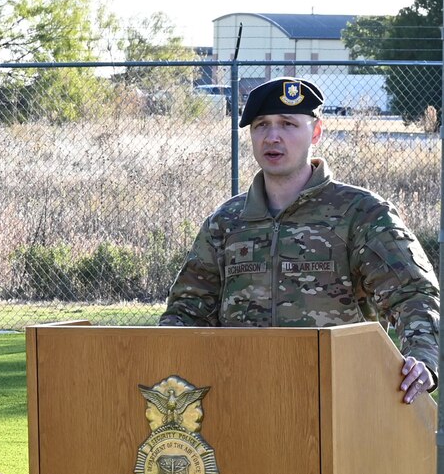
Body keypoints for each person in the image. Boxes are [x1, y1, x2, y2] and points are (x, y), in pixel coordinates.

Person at [161, 77, 439, 403]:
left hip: (338, 398)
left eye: (288, 124)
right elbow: (186, 311)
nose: (272, 136)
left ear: (316, 132)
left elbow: (413, 293)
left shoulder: (361, 213)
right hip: (240, 400)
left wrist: (422, 357)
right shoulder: (226, 223)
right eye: (261, 125)